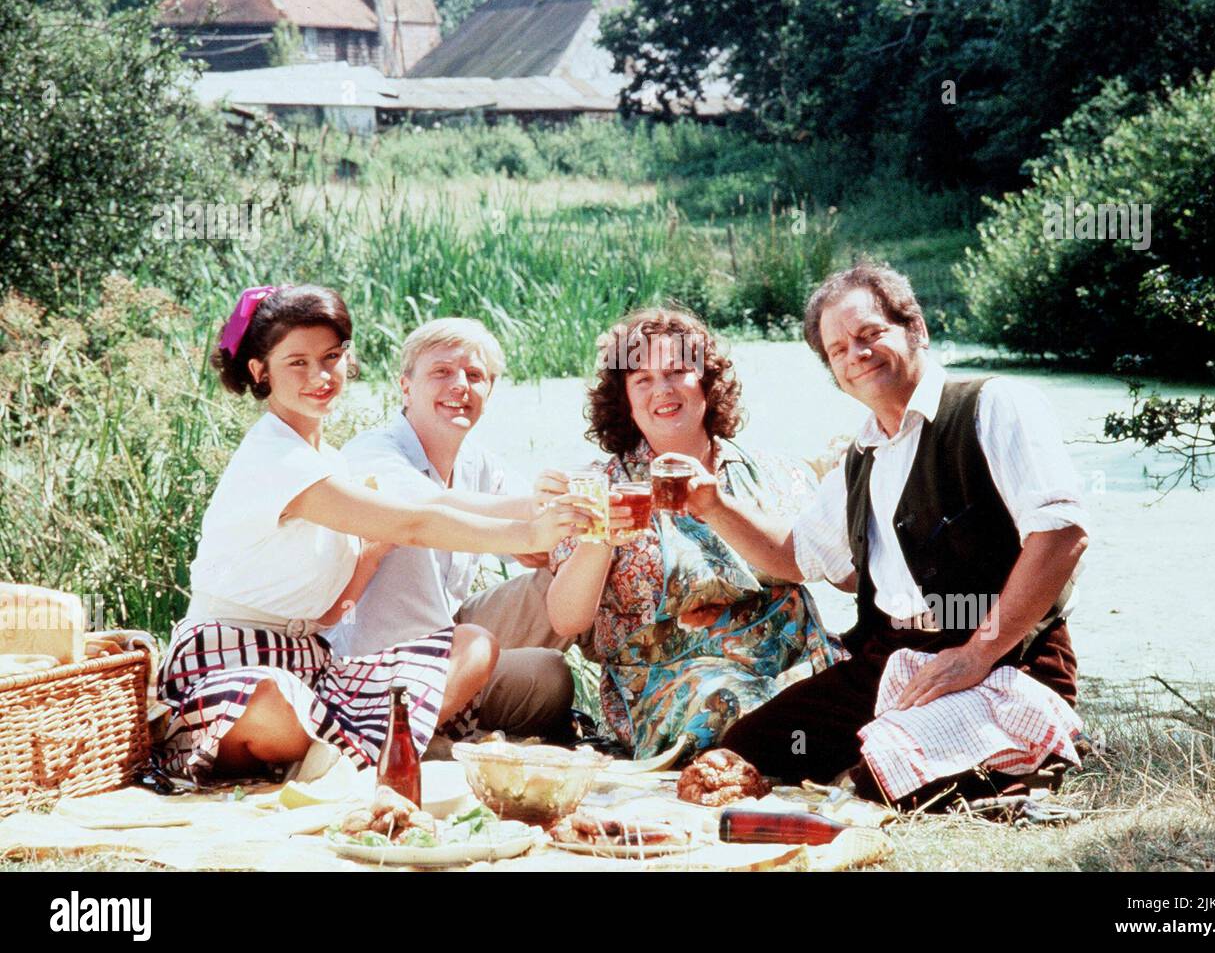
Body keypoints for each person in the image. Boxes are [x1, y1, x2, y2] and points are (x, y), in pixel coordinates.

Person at [668, 261, 1089, 802]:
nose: (856, 356)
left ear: (916, 330)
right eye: (838, 351)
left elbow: (1061, 534)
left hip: (1006, 657)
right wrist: (712, 503)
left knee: (884, 778)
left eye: (870, 335)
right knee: (748, 749)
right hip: (889, 658)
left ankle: (1020, 764)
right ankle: (920, 762)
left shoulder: (992, 404)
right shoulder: (861, 454)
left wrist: (976, 653)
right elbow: (796, 556)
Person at [156, 285, 589, 782]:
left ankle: (352, 753)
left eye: (332, 357)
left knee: (472, 643)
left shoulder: (329, 460)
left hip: (313, 663)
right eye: (297, 362)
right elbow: (417, 518)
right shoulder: (274, 457)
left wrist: (548, 509)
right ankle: (365, 752)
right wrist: (530, 529)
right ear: (261, 371)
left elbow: (330, 609)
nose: (321, 377)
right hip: (232, 657)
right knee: (268, 697)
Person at [542, 307, 841, 761]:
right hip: (676, 681)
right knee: (745, 710)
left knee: (864, 697)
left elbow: (821, 565)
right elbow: (566, 620)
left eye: (677, 371)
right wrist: (599, 538)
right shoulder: (599, 487)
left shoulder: (772, 473)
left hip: (794, 661)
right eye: (642, 379)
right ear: (624, 399)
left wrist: (718, 506)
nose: (662, 389)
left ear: (706, 380)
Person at [330, 318, 576, 743]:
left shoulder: (479, 463)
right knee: (520, 667)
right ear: (405, 387)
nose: (460, 385)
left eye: (475, 376)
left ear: (490, 391)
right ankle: (400, 738)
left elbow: (537, 537)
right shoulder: (372, 452)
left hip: (447, 636)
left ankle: (635, 691)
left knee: (554, 660)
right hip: (373, 658)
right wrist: (531, 518)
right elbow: (426, 510)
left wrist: (577, 519)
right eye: (441, 372)